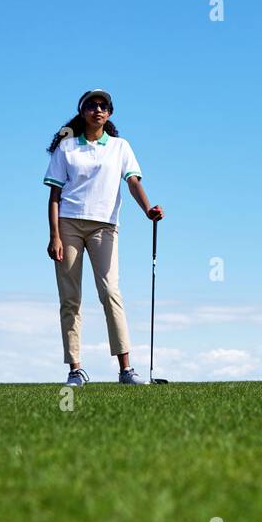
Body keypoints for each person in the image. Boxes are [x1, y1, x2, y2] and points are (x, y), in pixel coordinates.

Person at [43, 88, 163, 386]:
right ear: (82, 112)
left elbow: (132, 182)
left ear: (109, 113)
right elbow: (55, 195)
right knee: (70, 299)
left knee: (110, 293)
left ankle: (125, 370)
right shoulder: (67, 148)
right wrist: (54, 236)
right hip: (68, 224)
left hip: (104, 226)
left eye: (104, 106)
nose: (98, 109)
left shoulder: (121, 147)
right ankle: (75, 369)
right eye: (92, 105)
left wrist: (148, 209)